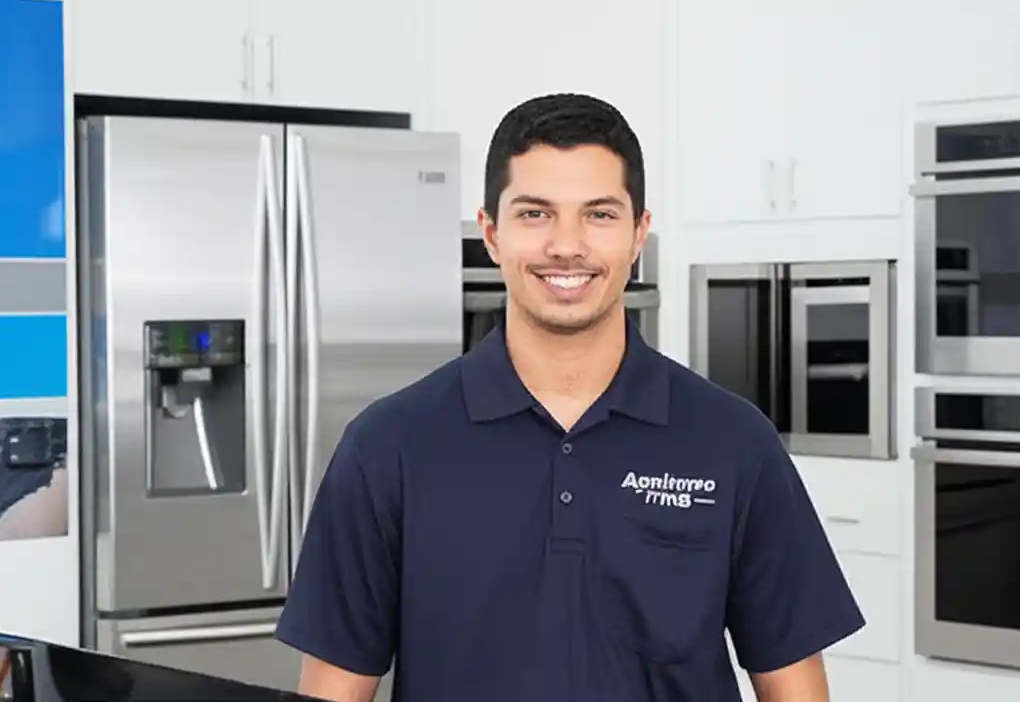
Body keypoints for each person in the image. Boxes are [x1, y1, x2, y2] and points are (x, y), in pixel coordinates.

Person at [274, 92, 865, 701]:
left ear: (639, 235)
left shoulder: (735, 443)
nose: (566, 245)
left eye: (599, 215)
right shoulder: (387, 447)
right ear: (491, 234)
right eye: (534, 213)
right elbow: (333, 692)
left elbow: (794, 687)